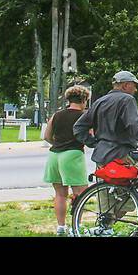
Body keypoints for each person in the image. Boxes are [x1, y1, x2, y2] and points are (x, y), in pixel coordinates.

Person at [71, 70, 138, 170]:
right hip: (121, 155)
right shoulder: (127, 100)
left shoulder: (99, 102)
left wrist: (95, 143)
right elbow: (134, 125)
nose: (135, 89)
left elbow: (78, 128)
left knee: (105, 184)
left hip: (101, 156)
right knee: (131, 180)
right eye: (134, 85)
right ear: (125, 85)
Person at [42, 84, 91, 235]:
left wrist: (58, 143)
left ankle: (61, 227)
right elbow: (91, 135)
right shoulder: (84, 116)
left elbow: (47, 136)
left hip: (54, 155)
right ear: (84, 100)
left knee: (60, 194)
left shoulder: (57, 115)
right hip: (73, 154)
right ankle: (77, 225)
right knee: (80, 194)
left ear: (69, 99)